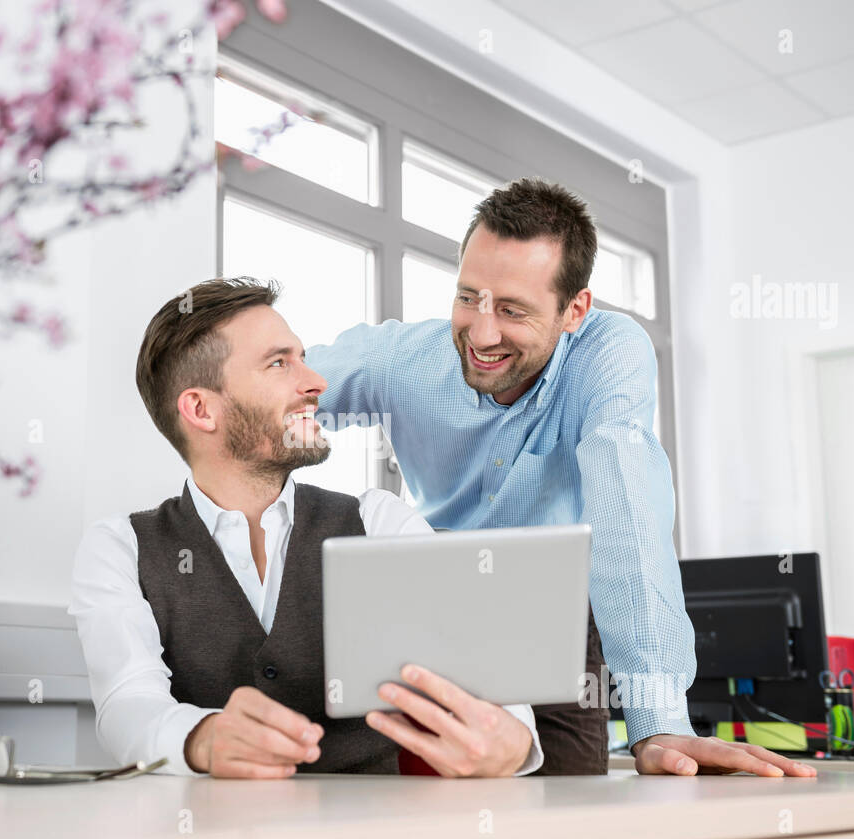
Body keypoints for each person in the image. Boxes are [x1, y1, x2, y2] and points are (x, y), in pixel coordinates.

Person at [306, 178, 816, 779]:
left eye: (513, 310)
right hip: (432, 601)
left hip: (553, 616)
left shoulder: (607, 354)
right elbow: (278, 396)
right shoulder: (406, 359)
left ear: (575, 310)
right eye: (469, 298)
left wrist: (659, 722)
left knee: (567, 801)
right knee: (406, 792)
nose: (482, 334)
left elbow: (626, 507)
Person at [68, 278, 543, 778]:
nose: (317, 383)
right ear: (201, 410)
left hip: (380, 826)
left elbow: (477, 661)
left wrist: (514, 740)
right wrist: (202, 738)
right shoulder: (119, 549)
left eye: (302, 358)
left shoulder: (378, 522)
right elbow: (127, 704)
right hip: (207, 828)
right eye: (279, 363)